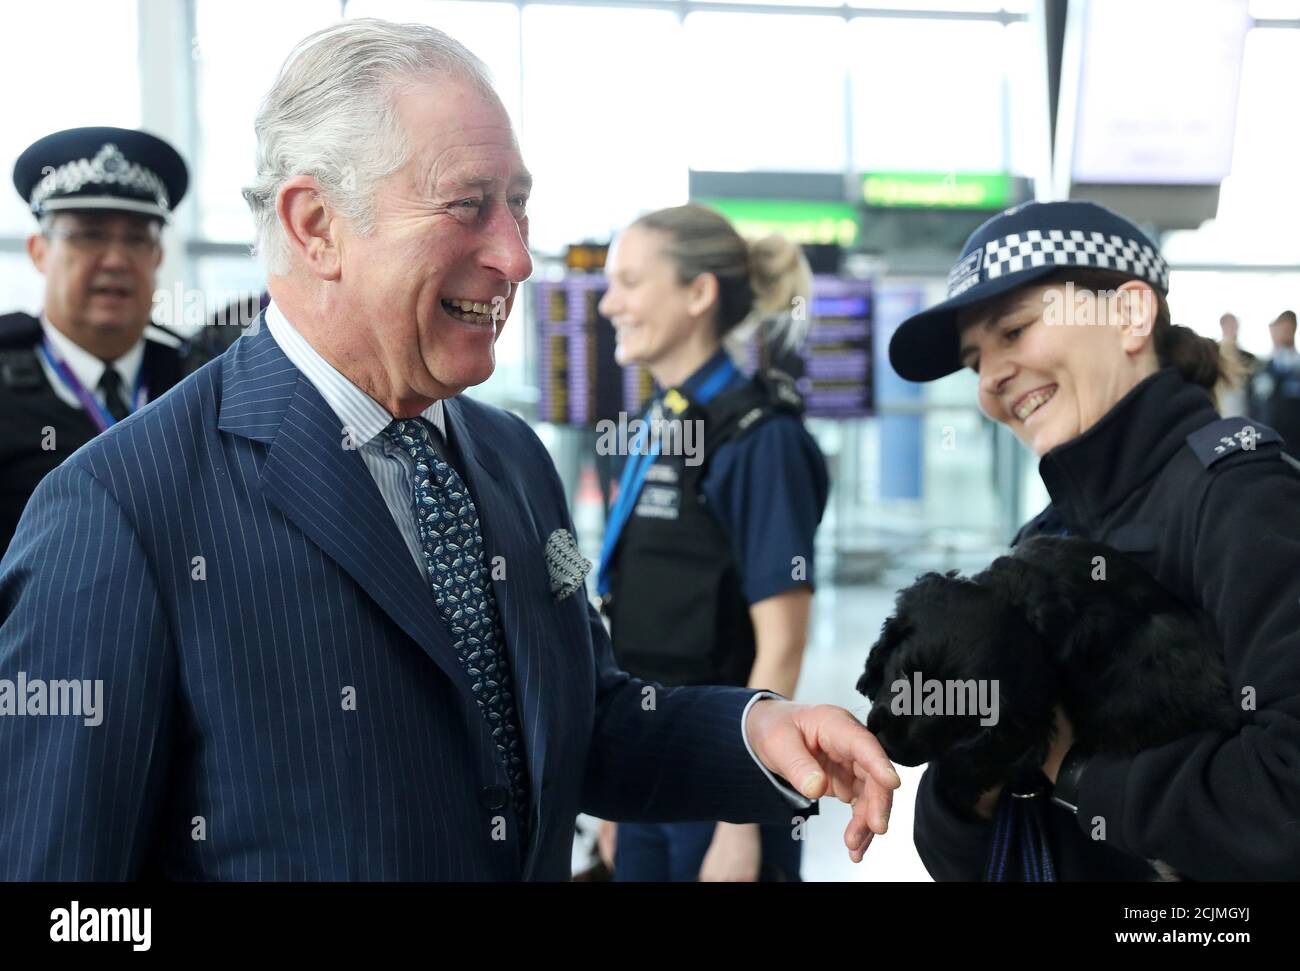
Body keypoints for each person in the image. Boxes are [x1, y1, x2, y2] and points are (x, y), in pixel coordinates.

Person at [0, 19, 898, 880]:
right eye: (467, 205)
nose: (516, 256)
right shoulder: (120, 510)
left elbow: (577, 719)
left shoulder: (510, 458)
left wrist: (756, 731)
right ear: (317, 226)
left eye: (518, 205)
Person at [888, 200, 1300, 880]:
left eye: (1014, 330)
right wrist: (976, 765)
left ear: (1131, 314)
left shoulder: (1241, 498)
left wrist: (1070, 765)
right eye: (974, 361)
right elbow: (961, 853)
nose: (990, 380)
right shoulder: (1044, 536)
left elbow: (1285, 799)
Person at [592, 206, 829, 882]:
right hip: (646, 768)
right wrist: (613, 795)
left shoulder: (761, 438)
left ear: (698, 294)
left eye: (631, 282)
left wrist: (739, 819)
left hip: (724, 775)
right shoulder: (653, 422)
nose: (611, 304)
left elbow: (781, 644)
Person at [0, 126, 207, 559]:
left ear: (157, 257)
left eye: (136, 239)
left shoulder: (200, 385)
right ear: (39, 251)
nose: (115, 260)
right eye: (89, 235)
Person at [1249, 310, 1300, 457]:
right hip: (1270, 439)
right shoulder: (1262, 366)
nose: (1283, 333)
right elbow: (1255, 404)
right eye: (1280, 329)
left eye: (1288, 328)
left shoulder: (1296, 364)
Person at [1215, 312, 1258, 418]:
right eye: (1228, 325)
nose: (1232, 329)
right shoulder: (1213, 353)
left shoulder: (1249, 357)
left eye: (1233, 325)